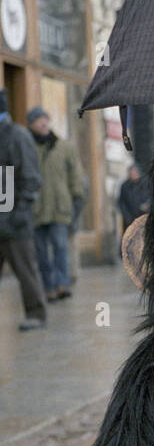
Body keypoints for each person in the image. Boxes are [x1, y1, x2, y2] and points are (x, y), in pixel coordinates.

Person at [0, 88, 47, 330]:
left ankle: (36, 314)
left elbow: (30, 178)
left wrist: (19, 212)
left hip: (15, 220)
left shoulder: (17, 136)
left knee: (26, 270)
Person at [27, 107, 84, 302]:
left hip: (60, 208)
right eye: (38, 120)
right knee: (41, 252)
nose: (43, 123)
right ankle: (48, 287)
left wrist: (77, 199)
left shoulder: (63, 147)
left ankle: (62, 285)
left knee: (61, 247)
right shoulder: (26, 147)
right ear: (31, 124)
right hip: (36, 210)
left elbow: (75, 175)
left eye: (45, 119)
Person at [117, 163, 152, 251]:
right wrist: (126, 216)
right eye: (131, 173)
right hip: (130, 218)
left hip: (144, 216)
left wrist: (147, 205)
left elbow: (153, 196)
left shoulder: (146, 182)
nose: (133, 174)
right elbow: (121, 202)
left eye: (134, 172)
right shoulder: (125, 186)